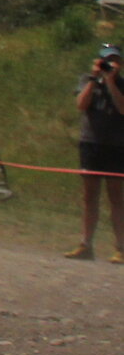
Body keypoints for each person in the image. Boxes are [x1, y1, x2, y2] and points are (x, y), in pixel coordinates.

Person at [67, 42, 124, 261]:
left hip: (116, 146)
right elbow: (81, 105)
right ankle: (86, 244)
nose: (110, 64)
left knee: (116, 197)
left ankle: (121, 247)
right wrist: (94, 79)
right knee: (90, 196)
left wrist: (110, 82)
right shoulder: (87, 80)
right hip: (91, 144)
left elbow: (122, 108)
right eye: (106, 60)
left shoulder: (121, 84)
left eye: (114, 60)